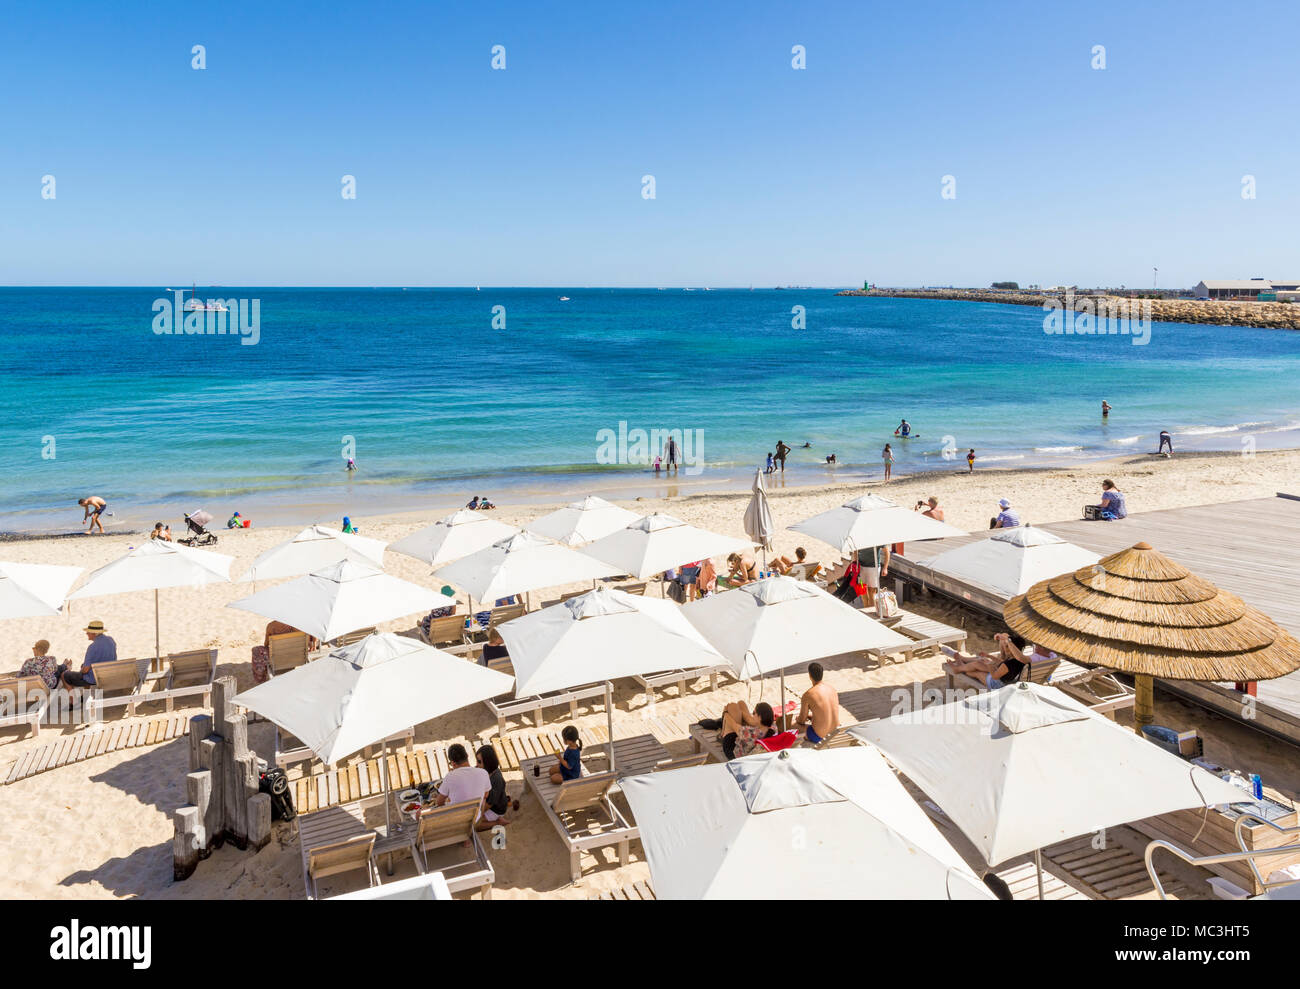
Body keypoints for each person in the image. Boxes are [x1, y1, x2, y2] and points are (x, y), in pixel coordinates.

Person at [947, 632, 1031, 689]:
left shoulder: (1008, 664)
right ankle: (961, 665)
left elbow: (995, 676)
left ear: (1012, 648)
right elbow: (1001, 664)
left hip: (998, 685)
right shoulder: (1022, 659)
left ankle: (958, 668)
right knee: (977, 664)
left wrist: (989, 664)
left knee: (974, 672)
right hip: (1007, 679)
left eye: (1006, 646)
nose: (1005, 649)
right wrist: (989, 656)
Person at [698, 701, 776, 760]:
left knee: (731, 706)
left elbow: (733, 724)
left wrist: (725, 712)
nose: (752, 714)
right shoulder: (773, 727)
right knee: (741, 703)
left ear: (760, 718)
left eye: (754, 713)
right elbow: (743, 725)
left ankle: (722, 734)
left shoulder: (750, 732)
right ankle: (733, 716)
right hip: (747, 742)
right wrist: (742, 714)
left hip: (733, 751)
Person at [436, 743, 491, 824]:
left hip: (457, 821)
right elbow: (486, 795)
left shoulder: (450, 776)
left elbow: (439, 802)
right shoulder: (483, 773)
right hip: (475, 818)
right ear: (467, 756)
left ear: (453, 763)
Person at [61, 621, 117, 688]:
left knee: (65, 675)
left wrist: (81, 671)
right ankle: (86, 695)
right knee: (84, 667)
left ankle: (72, 698)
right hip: (108, 674)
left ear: (94, 633)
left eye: (88, 631)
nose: (86, 633)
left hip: (95, 679)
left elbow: (85, 670)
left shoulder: (92, 647)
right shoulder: (111, 640)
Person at [475, 745, 518, 830]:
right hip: (488, 802)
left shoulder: (496, 780)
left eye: (479, 761)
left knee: (474, 825)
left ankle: (498, 822)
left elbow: (488, 805)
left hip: (495, 809)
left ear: (487, 763)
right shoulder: (486, 770)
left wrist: (475, 815)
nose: (476, 764)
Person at [797, 662, 839, 746]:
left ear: (809, 675)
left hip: (819, 737)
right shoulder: (832, 689)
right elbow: (828, 712)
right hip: (836, 732)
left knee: (794, 726)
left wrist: (798, 719)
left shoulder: (808, 695)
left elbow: (802, 720)